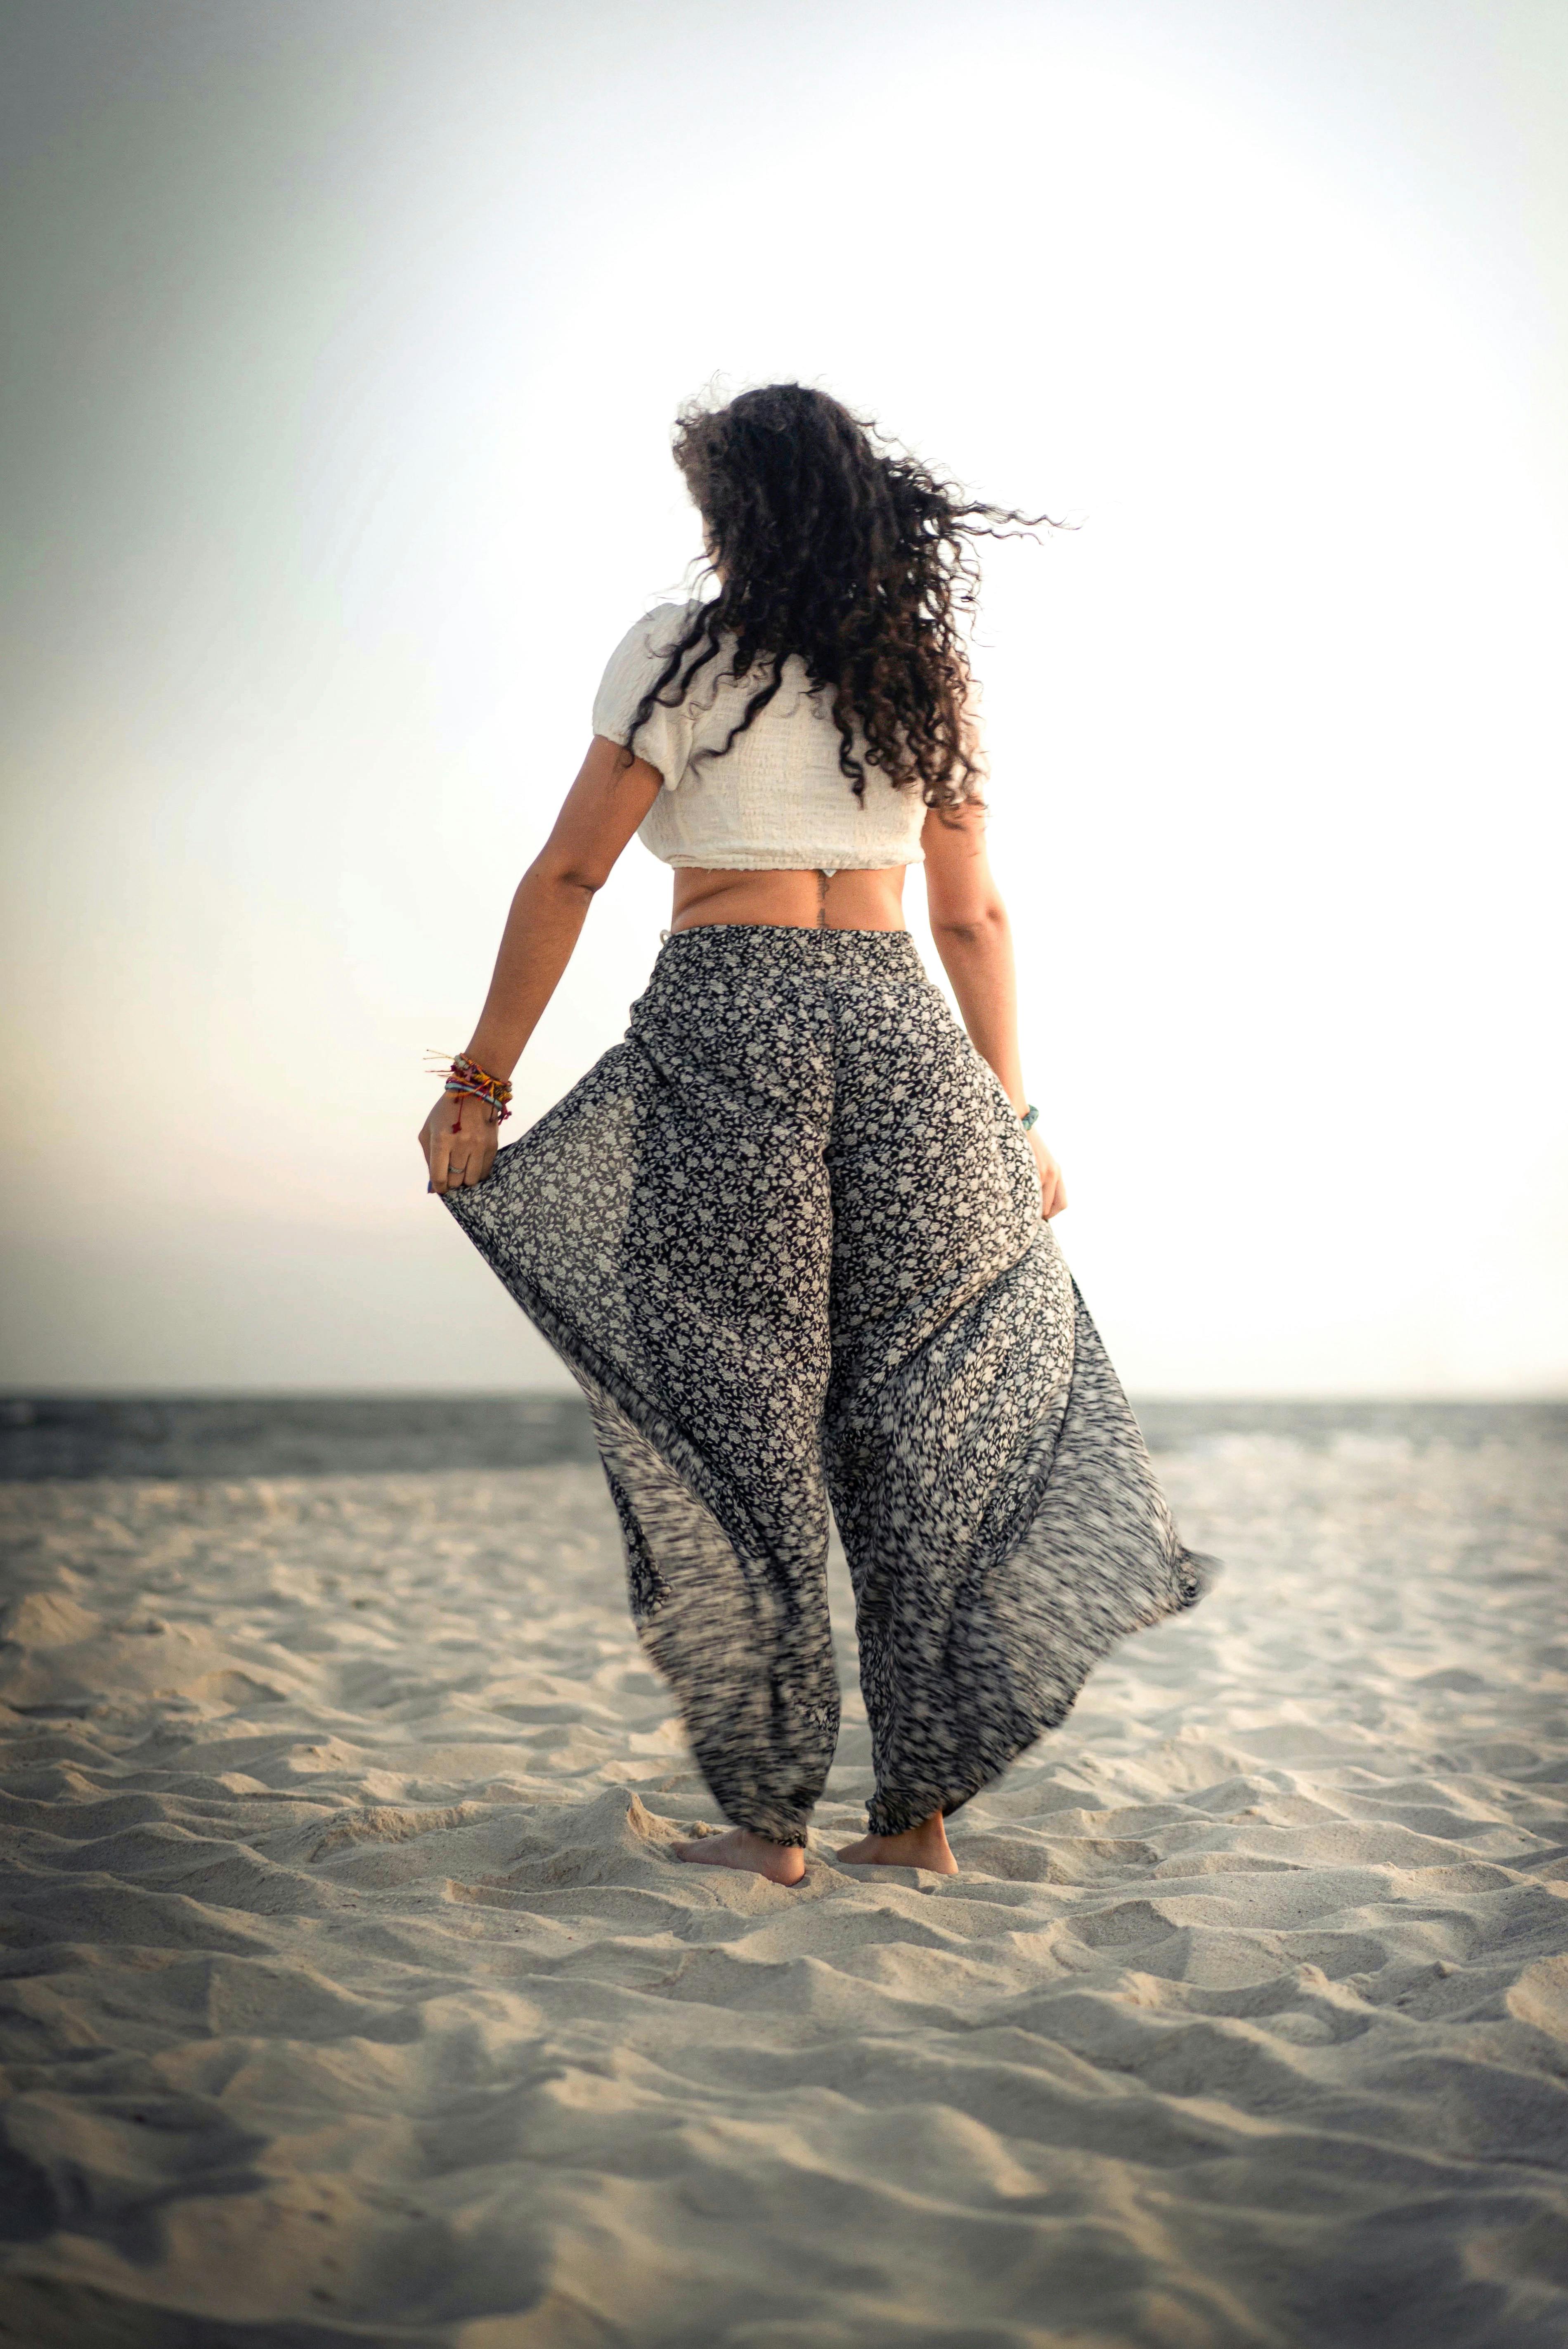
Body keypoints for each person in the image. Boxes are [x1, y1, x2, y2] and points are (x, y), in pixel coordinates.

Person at [419, 383, 1209, 1886]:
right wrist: (1014, 1113)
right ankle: (913, 1824)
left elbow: (572, 874)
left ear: (740, 507)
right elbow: (973, 910)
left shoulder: (683, 653)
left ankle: (773, 1823)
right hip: (908, 1036)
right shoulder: (921, 670)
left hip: (739, 1013)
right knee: (916, 1425)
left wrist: (482, 1081)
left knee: (740, 1405)